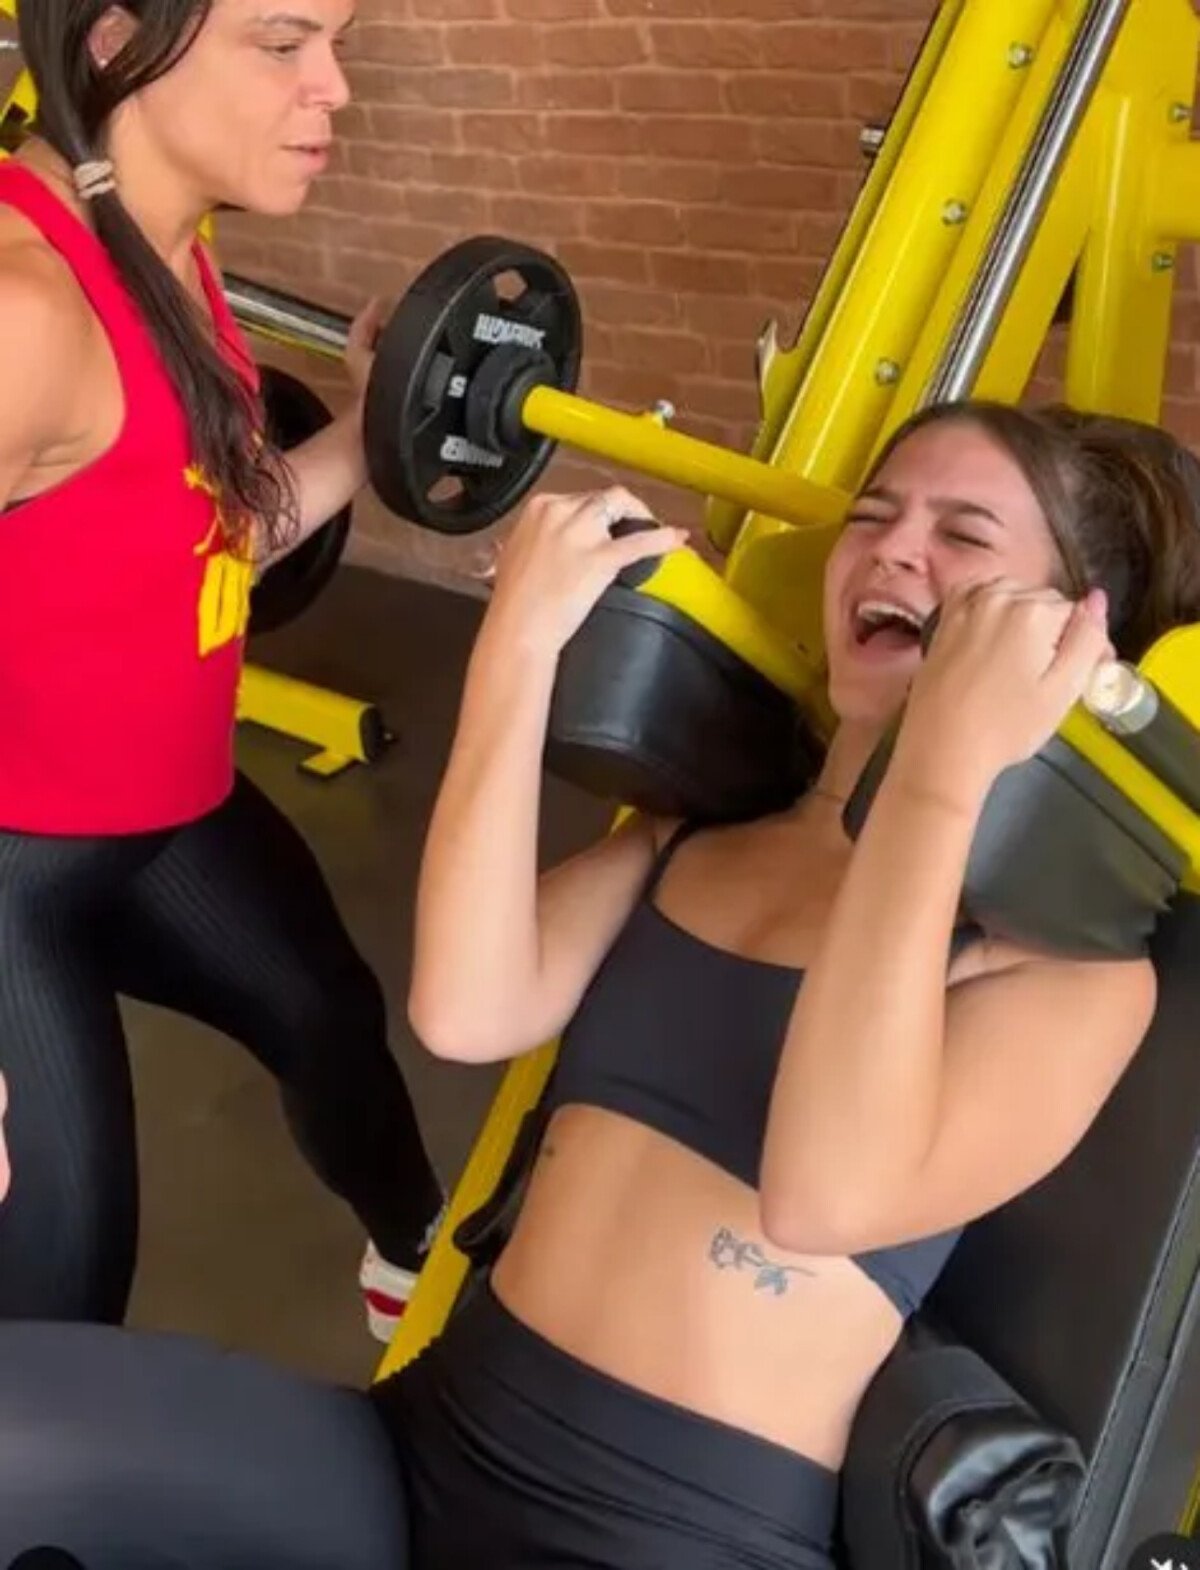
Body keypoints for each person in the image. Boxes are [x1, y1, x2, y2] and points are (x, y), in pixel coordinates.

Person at [0, 399, 1193, 1569]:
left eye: (964, 536)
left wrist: (942, 778)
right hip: (430, 1439)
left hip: (674, 1529)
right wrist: (518, 641)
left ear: (1069, 638)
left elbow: (824, 1194)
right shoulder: (700, 838)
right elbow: (467, 1009)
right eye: (876, 514)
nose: (893, 547)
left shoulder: (1067, 974)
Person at [0, 0, 444, 1340]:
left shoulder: (167, 245)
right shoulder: (25, 307)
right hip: (11, 869)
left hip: (165, 805)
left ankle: (415, 1264)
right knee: (63, 1298)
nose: (335, 90)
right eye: (283, 42)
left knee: (327, 1017)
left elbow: (205, 533)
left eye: (339, 44)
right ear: (113, 39)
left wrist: (381, 426)